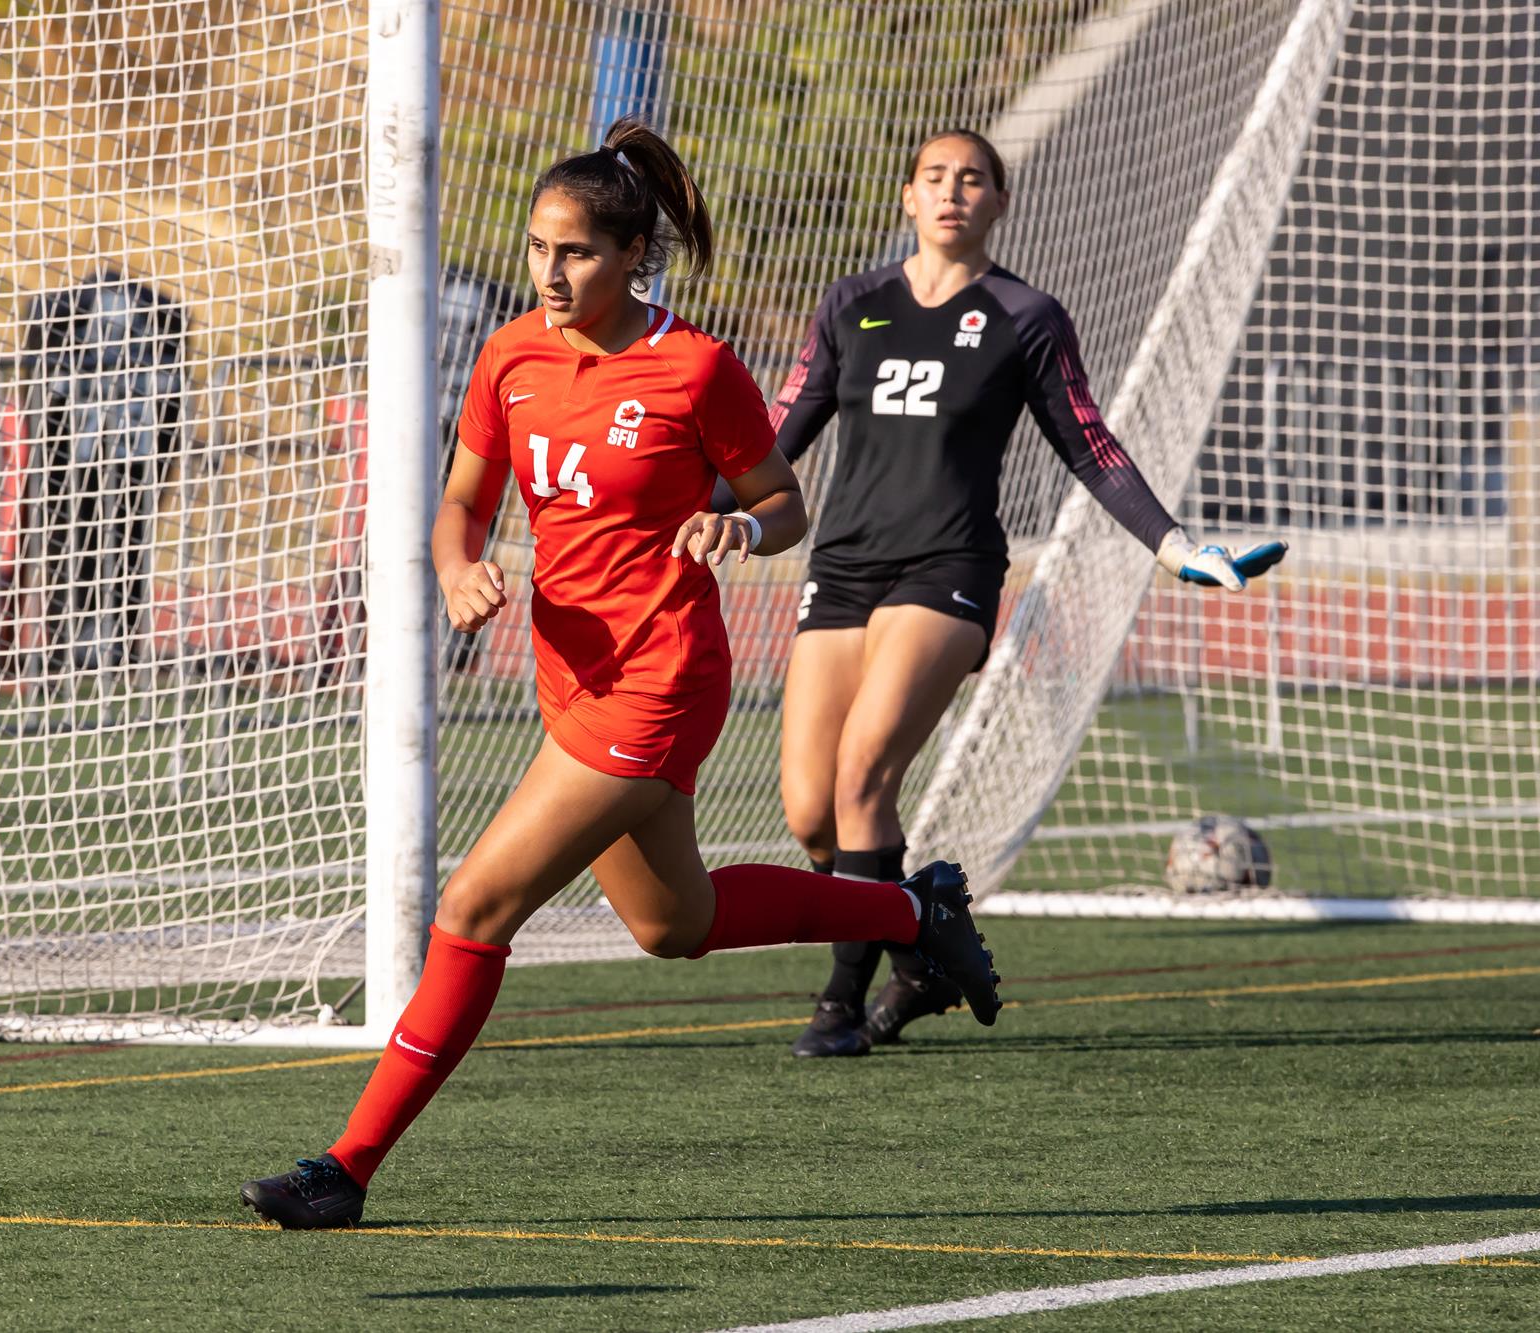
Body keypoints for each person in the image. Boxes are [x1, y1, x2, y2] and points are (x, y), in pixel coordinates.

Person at [240, 118, 1003, 1231]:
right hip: (567, 676)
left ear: (631, 253)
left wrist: (735, 532)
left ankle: (344, 1168)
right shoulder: (511, 355)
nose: (551, 272)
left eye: (578, 252)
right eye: (539, 247)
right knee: (671, 922)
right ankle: (908, 909)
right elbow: (463, 503)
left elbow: (783, 502)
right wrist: (457, 572)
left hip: (661, 676)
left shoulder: (693, 365)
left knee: (473, 905)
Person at [763, 128, 1285, 1058]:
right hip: (842, 567)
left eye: (974, 179)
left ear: (1000, 203)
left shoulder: (1025, 315)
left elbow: (1089, 442)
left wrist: (1171, 546)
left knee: (862, 778)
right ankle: (922, 952)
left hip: (948, 570)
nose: (953, 191)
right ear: (908, 199)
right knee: (809, 809)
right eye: (934, 177)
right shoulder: (851, 303)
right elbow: (777, 438)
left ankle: (840, 1006)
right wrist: (682, 507)